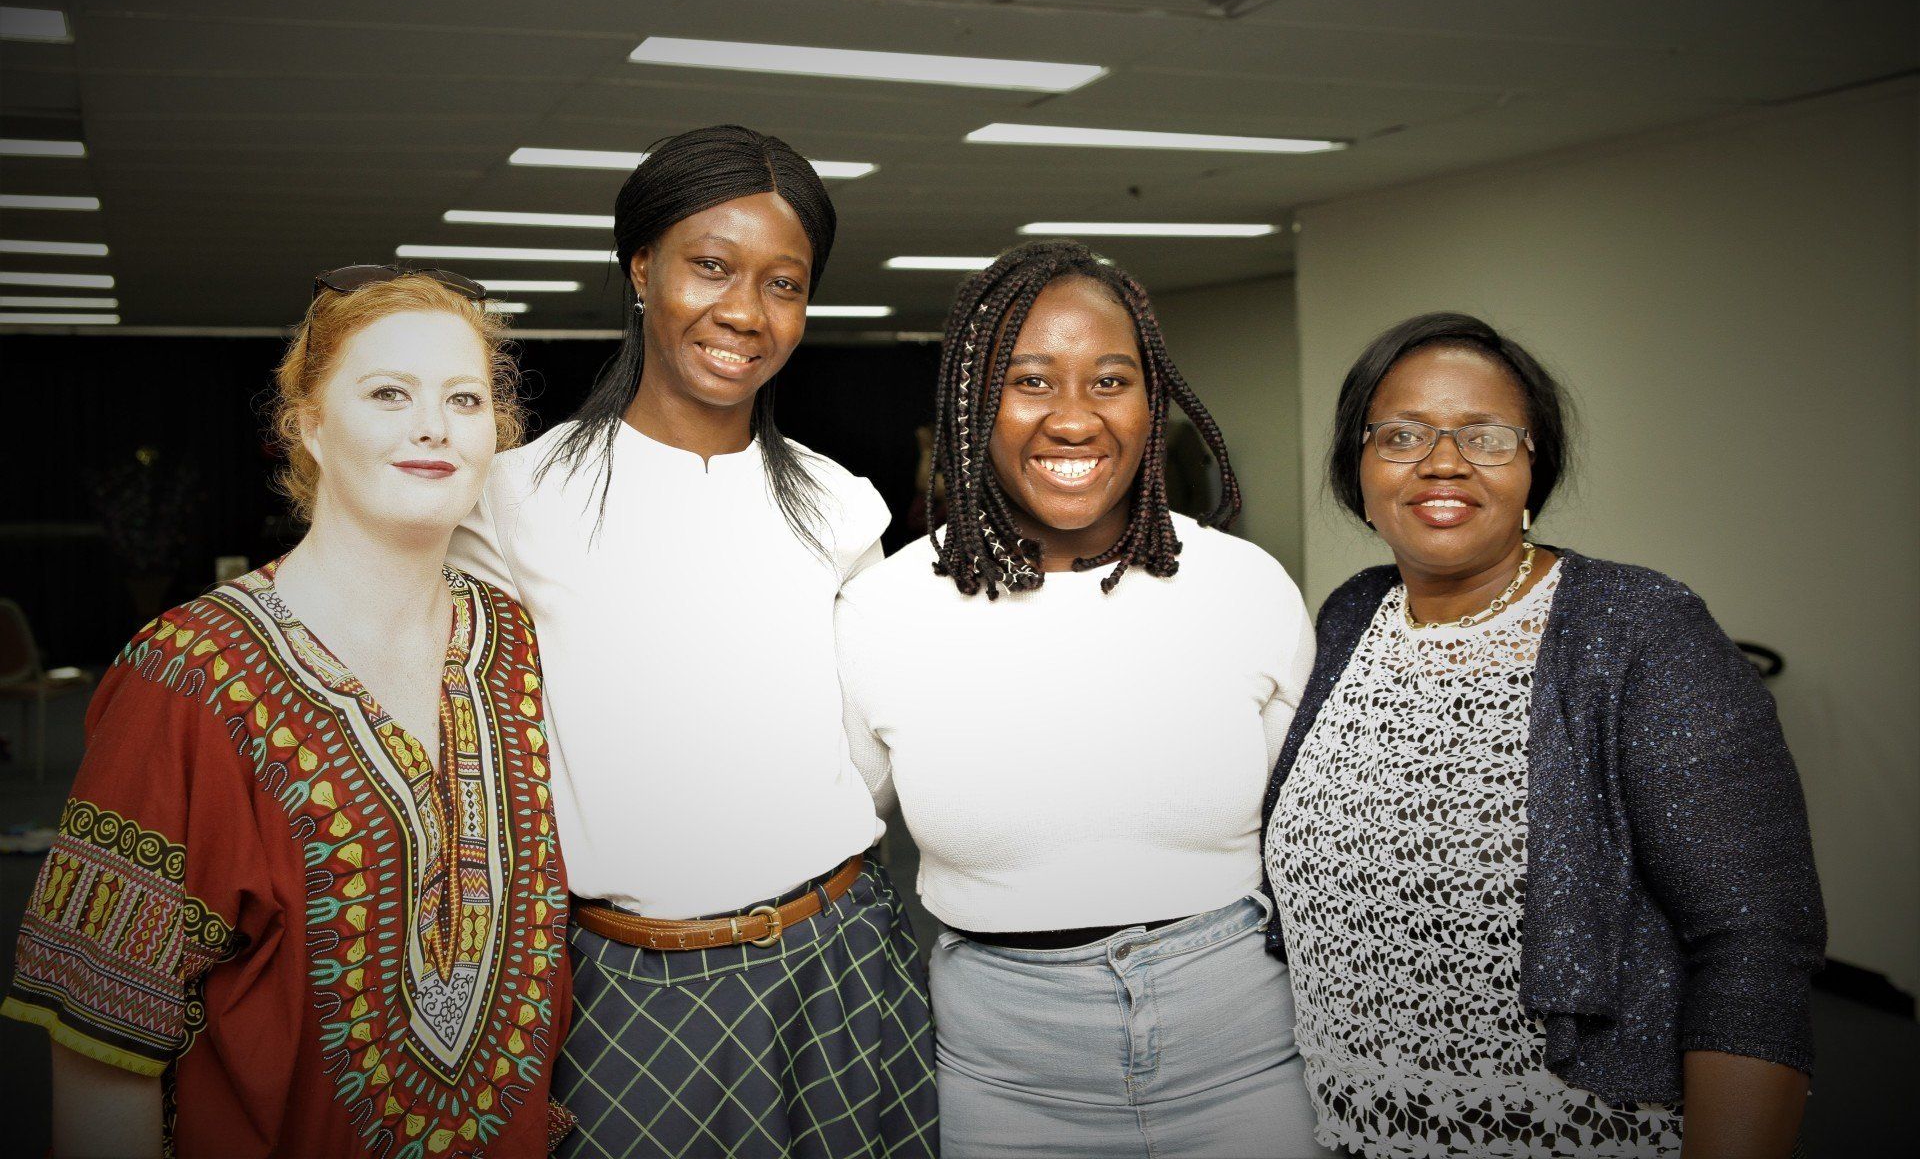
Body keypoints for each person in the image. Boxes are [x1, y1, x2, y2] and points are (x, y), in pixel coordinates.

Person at [3, 267, 572, 1157]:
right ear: (308, 425)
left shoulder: (520, 646)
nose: (434, 425)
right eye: (389, 393)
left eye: (464, 399)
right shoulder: (186, 675)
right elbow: (101, 1035)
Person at [449, 124, 937, 1159]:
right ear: (641, 269)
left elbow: (873, 746)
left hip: (843, 951)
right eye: (711, 266)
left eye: (783, 284)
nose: (745, 312)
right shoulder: (514, 501)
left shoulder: (840, 505)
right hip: (632, 979)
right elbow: (477, 759)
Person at [1262, 312, 1825, 1159]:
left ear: (1534, 465)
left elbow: (1755, 943)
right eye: (1403, 435)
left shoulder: (1639, 630)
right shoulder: (1350, 615)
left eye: (1486, 436)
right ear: (1358, 466)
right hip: (1352, 1132)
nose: (1443, 462)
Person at [837, 239, 1332, 1159]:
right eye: (1030, 381)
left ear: (1152, 402)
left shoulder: (1246, 586)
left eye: (1110, 381)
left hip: (1248, 1051)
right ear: (972, 405)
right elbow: (833, 844)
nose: (1073, 419)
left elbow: (1310, 841)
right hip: (1002, 1069)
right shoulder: (885, 609)